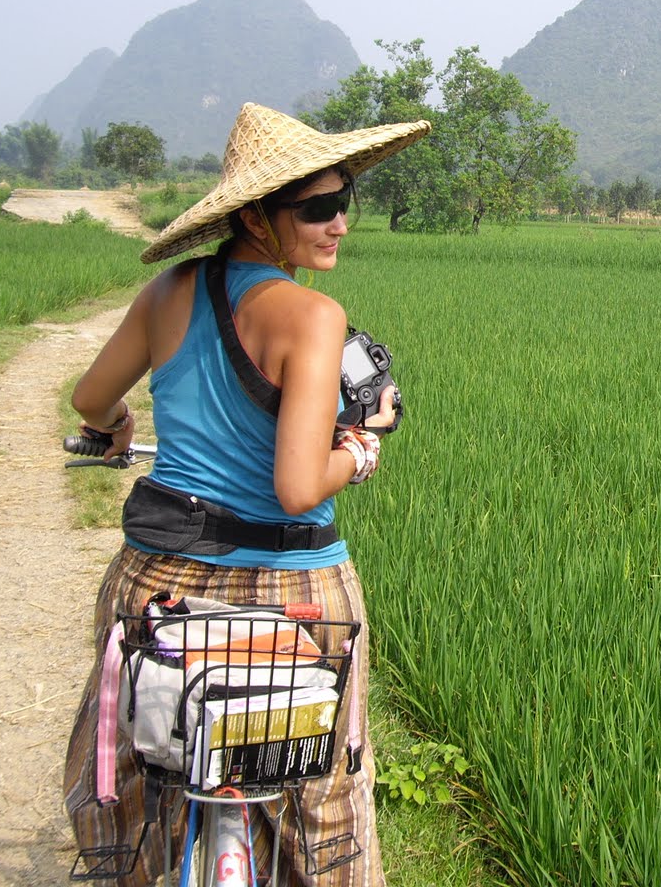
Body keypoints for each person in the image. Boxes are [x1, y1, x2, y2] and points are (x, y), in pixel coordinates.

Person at [63, 102, 430, 887]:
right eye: (318, 209)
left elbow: (90, 401)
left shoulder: (168, 294)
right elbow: (299, 487)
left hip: (159, 581)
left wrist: (119, 429)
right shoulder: (314, 317)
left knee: (140, 785)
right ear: (259, 218)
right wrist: (361, 448)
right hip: (293, 592)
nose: (339, 225)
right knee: (321, 799)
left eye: (343, 203)